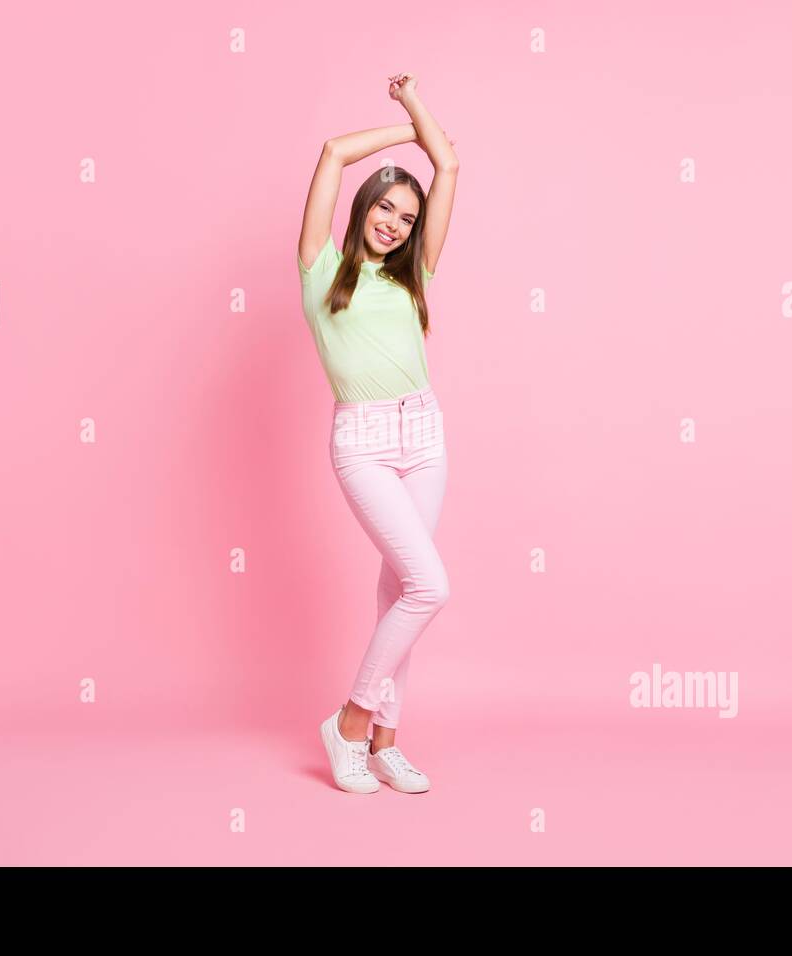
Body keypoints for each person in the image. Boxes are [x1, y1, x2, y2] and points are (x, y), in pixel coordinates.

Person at [297, 72, 460, 794]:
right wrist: (403, 129)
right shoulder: (320, 269)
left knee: (400, 591)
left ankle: (385, 743)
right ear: (366, 206)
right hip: (362, 443)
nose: (393, 222)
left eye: (405, 215)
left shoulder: (413, 274)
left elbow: (449, 164)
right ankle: (352, 722)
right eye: (385, 206)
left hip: (423, 433)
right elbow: (332, 152)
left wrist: (419, 108)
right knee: (430, 585)